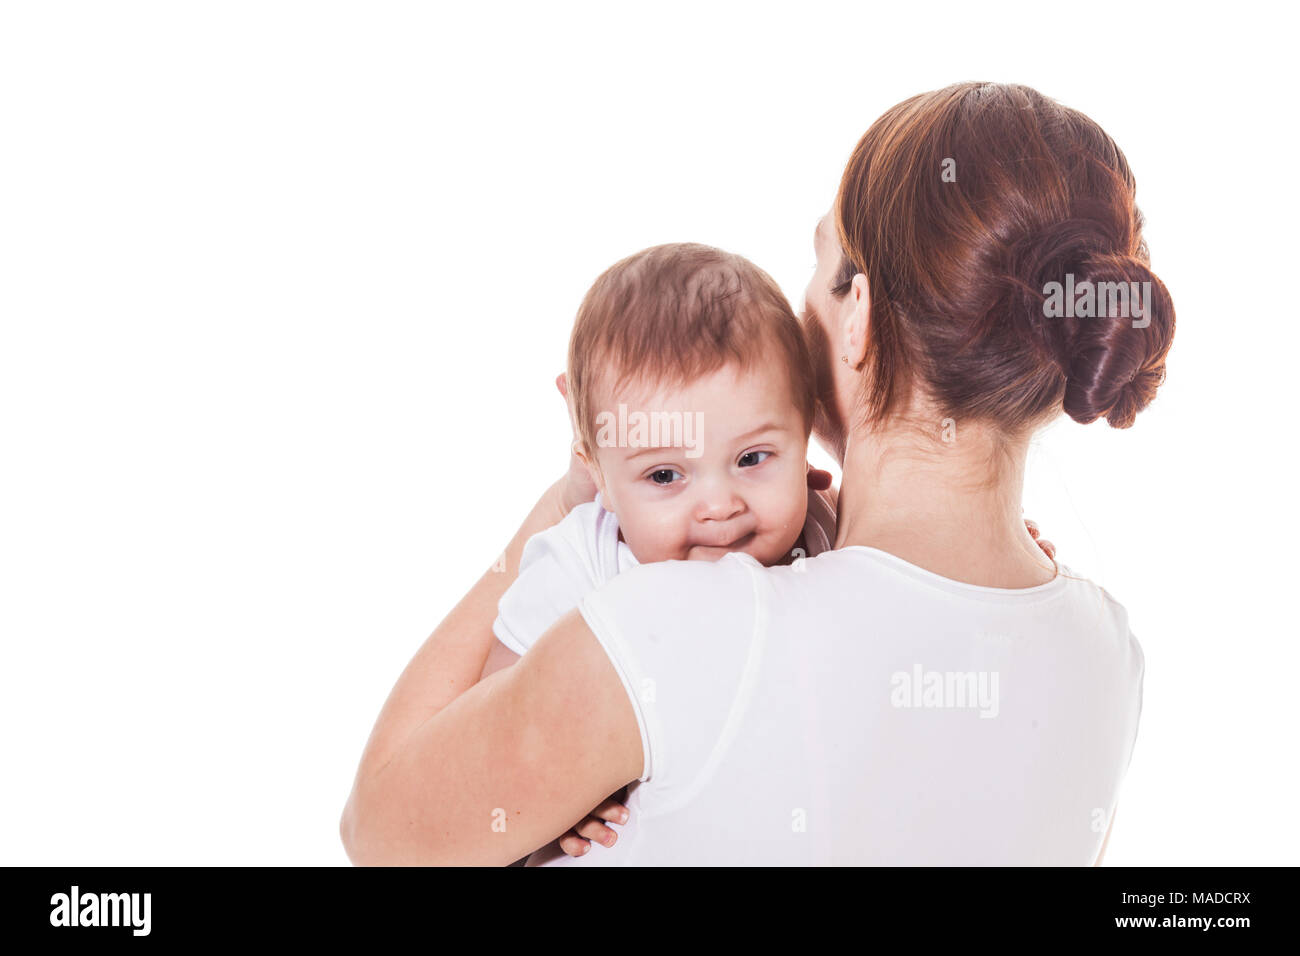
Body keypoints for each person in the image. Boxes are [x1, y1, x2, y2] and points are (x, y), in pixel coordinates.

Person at [339, 81, 1174, 865]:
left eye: (818, 262)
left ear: (860, 317)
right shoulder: (1110, 656)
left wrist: (571, 497)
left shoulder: (679, 628)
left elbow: (377, 826)